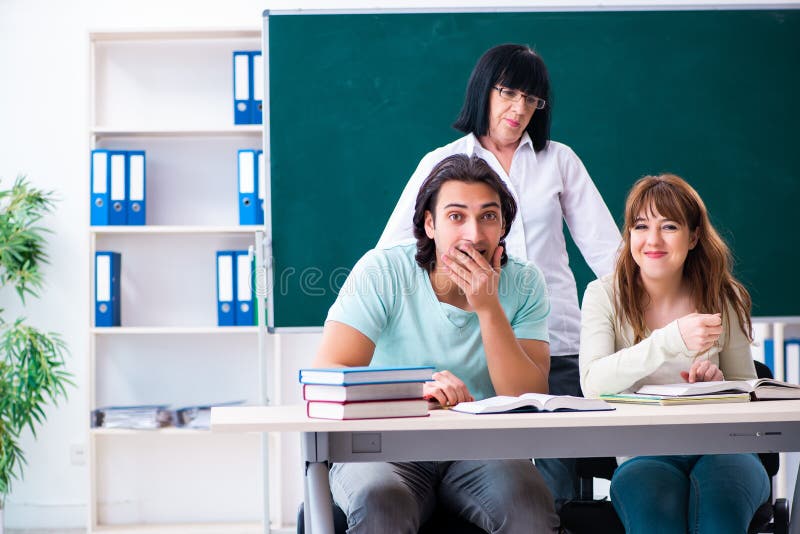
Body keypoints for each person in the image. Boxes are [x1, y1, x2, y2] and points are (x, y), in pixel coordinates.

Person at [378, 43, 621, 505]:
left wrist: (651, 328)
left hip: (554, 341)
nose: (518, 109)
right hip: (468, 345)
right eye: (508, 92)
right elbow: (394, 253)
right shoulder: (443, 163)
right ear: (482, 92)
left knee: (556, 489)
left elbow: (609, 255)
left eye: (531, 100)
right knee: (490, 480)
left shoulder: (559, 161)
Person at [313, 154, 559, 533]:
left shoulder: (525, 282)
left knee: (529, 509)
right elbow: (329, 373)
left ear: (504, 225)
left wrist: (489, 309)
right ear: (430, 224)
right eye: (456, 216)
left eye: (488, 216)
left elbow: (527, 395)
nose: (474, 235)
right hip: (385, 445)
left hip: (482, 448)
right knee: (381, 504)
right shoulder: (382, 272)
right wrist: (412, 390)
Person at [579, 174, 770, 534]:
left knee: (721, 521)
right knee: (655, 522)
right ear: (629, 235)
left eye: (669, 226)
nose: (652, 240)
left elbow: (747, 395)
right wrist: (671, 340)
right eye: (640, 226)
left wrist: (718, 387)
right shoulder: (603, 296)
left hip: (724, 449)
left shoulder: (722, 295)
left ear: (694, 236)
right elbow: (593, 384)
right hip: (642, 453)